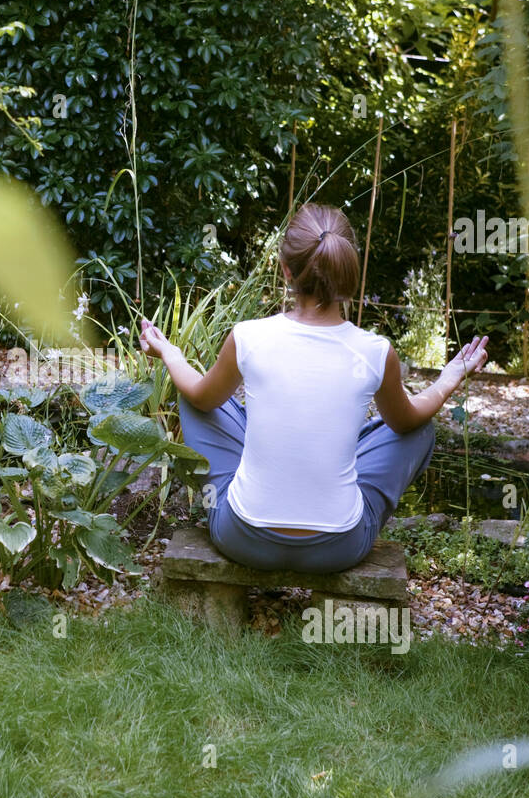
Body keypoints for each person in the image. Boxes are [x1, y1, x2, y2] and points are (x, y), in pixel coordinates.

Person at [139, 202, 488, 574]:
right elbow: (406, 423)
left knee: (197, 401)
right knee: (420, 428)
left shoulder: (249, 337)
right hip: (339, 548)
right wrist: (449, 379)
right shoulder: (374, 351)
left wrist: (170, 352)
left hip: (243, 538)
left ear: (286, 270)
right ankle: (336, 505)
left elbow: (199, 396)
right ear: (346, 272)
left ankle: (238, 499)